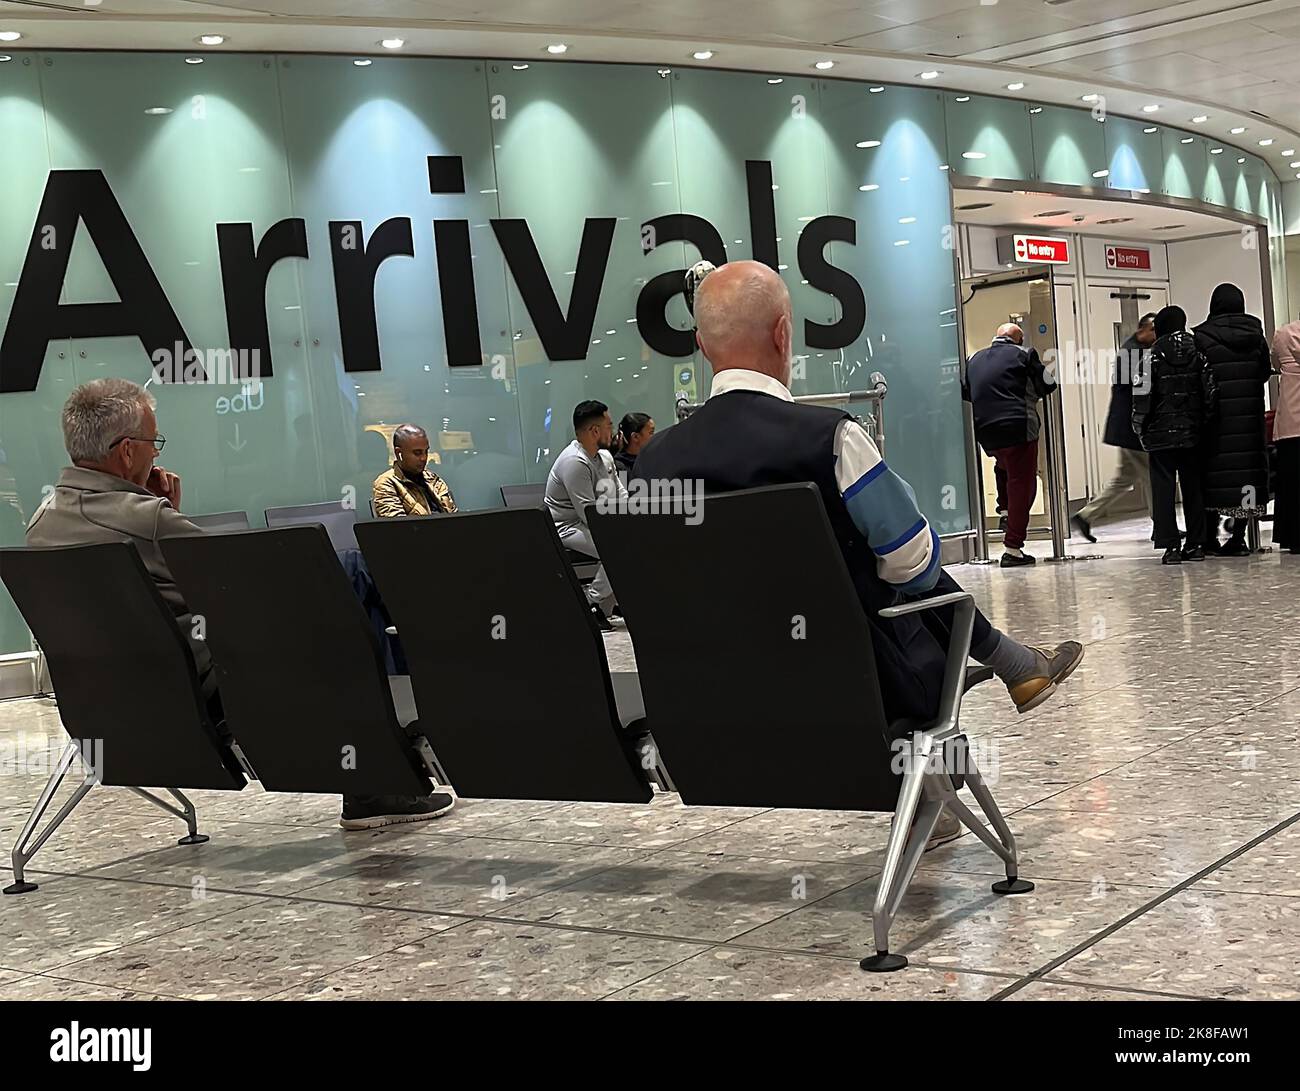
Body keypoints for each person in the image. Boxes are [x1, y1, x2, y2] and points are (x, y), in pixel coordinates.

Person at [634, 262, 1083, 725]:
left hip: (712, 710)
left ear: (701, 345)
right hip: (861, 699)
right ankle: (1012, 663)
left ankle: (1014, 663)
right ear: (783, 333)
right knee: (888, 563)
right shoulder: (831, 439)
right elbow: (916, 563)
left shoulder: (652, 464)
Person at [28, 378, 454, 831]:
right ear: (128, 451)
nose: (158, 454)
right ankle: (375, 787)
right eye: (155, 443)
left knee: (337, 590)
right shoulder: (148, 520)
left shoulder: (41, 523)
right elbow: (237, 590)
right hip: (204, 691)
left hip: (106, 706)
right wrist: (167, 513)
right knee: (334, 622)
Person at [962, 323, 1056, 567]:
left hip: (986, 431)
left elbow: (966, 392)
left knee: (1002, 467)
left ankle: (1004, 513)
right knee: (1022, 485)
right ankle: (1013, 548)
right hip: (1018, 428)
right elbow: (1048, 384)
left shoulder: (974, 359)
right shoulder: (1025, 354)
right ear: (1018, 339)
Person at [1132, 307, 1217, 565]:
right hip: (1192, 434)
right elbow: (1210, 395)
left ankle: (1170, 547)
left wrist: (1140, 429)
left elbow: (1141, 401)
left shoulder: (1149, 359)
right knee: (1193, 488)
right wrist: (1203, 424)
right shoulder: (1200, 355)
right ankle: (1196, 544)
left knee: (1163, 490)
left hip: (1159, 437)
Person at [1194, 283, 1272, 556]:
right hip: (1249, 419)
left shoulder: (1201, 337)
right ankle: (1239, 538)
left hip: (1215, 419)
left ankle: (1210, 539)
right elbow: (1264, 372)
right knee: (1247, 477)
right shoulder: (1256, 335)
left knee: (1213, 477)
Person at [1072, 313, 1156, 542]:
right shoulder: (1132, 354)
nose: (1156, 337)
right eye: (1154, 331)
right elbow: (1139, 390)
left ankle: (1085, 515)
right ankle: (1161, 524)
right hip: (1131, 427)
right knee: (1151, 474)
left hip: (1124, 426)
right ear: (1144, 330)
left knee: (1125, 477)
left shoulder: (1132, 349)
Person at [545, 400, 626, 627]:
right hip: (565, 527)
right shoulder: (574, 462)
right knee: (616, 549)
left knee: (628, 542)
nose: (614, 431)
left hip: (594, 521)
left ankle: (607, 605)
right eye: (609, 425)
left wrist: (632, 522)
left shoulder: (605, 457)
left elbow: (619, 495)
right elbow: (588, 514)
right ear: (595, 431)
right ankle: (593, 603)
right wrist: (621, 530)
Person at [372, 424, 459, 517]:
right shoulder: (386, 483)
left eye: (426, 452)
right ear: (399, 453)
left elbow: (455, 516)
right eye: (417, 453)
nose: (424, 458)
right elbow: (397, 527)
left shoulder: (433, 479)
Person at [1272, 318, 1300, 554]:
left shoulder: (1283, 334)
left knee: (1290, 480)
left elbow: (1273, 362)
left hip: (1291, 416)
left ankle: (1292, 535)